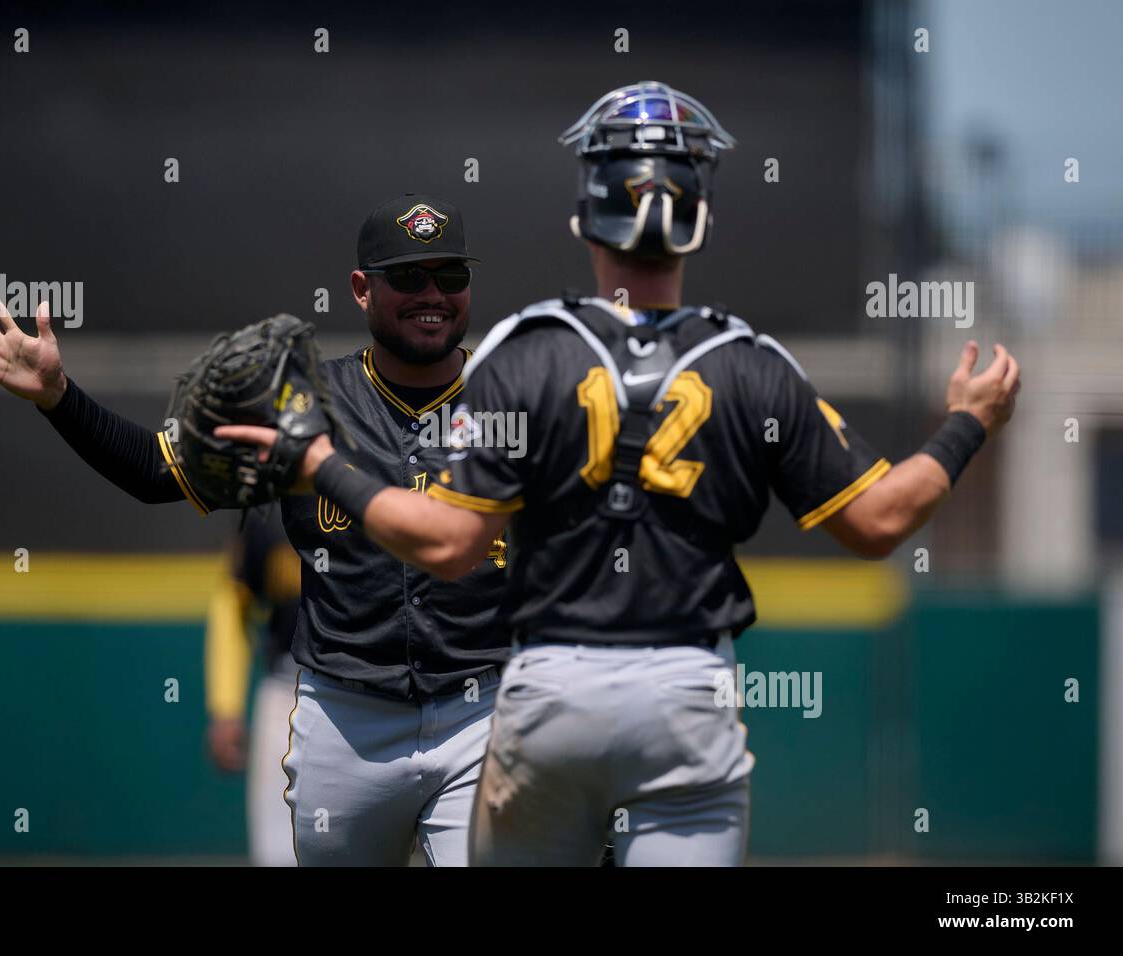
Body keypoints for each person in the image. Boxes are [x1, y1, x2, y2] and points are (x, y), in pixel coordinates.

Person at [217, 81, 1022, 866]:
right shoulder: (749, 362)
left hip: (550, 692)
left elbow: (451, 542)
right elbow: (880, 521)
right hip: (688, 693)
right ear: (700, 216)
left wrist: (321, 461)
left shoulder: (527, 350)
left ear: (585, 218)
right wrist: (966, 424)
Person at [0, 194, 510, 866]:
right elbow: (157, 473)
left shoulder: (511, 401)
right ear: (362, 290)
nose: (434, 295)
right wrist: (59, 398)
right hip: (347, 720)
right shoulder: (304, 408)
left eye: (450, 276)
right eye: (410, 277)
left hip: (481, 710)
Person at [203, 508, 300, 867]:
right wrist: (226, 705)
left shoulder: (382, 486)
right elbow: (234, 601)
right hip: (286, 692)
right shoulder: (267, 507)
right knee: (277, 854)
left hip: (373, 695)